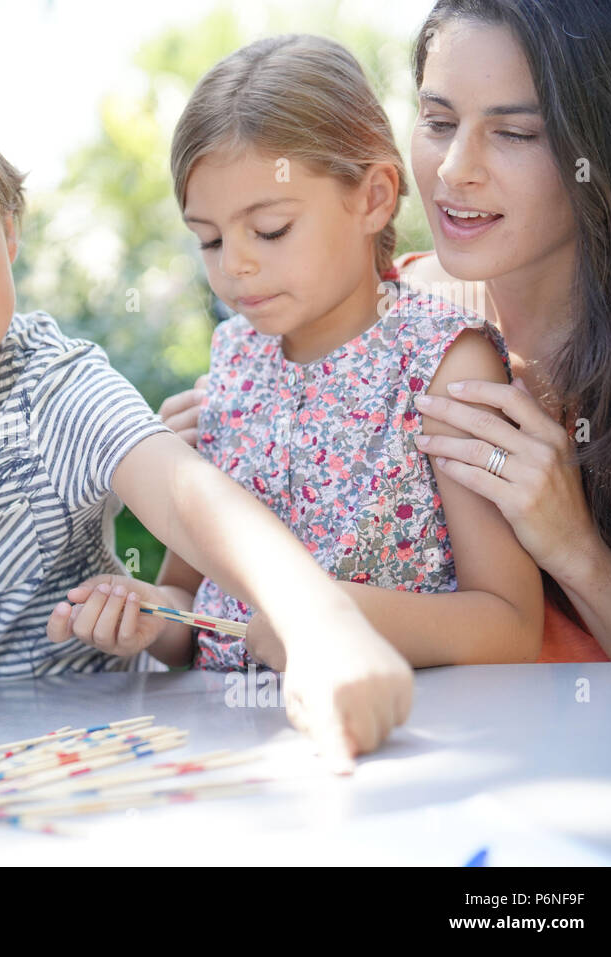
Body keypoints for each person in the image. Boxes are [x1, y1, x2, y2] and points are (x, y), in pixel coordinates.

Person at [0, 81, 411, 770]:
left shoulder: (59, 389)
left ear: (8, 230)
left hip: (94, 736)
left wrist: (318, 620)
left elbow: (188, 495)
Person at [49, 35, 543, 671]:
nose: (235, 265)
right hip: (236, 747)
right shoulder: (233, 361)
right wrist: (150, 614)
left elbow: (510, 629)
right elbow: (192, 603)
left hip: (396, 742)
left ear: (373, 198)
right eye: (208, 239)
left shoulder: (441, 363)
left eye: (270, 229)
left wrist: (323, 615)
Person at [399, 0, 611, 660]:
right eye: (439, 122)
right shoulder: (380, 316)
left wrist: (573, 548)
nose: (453, 170)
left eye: (516, 134)